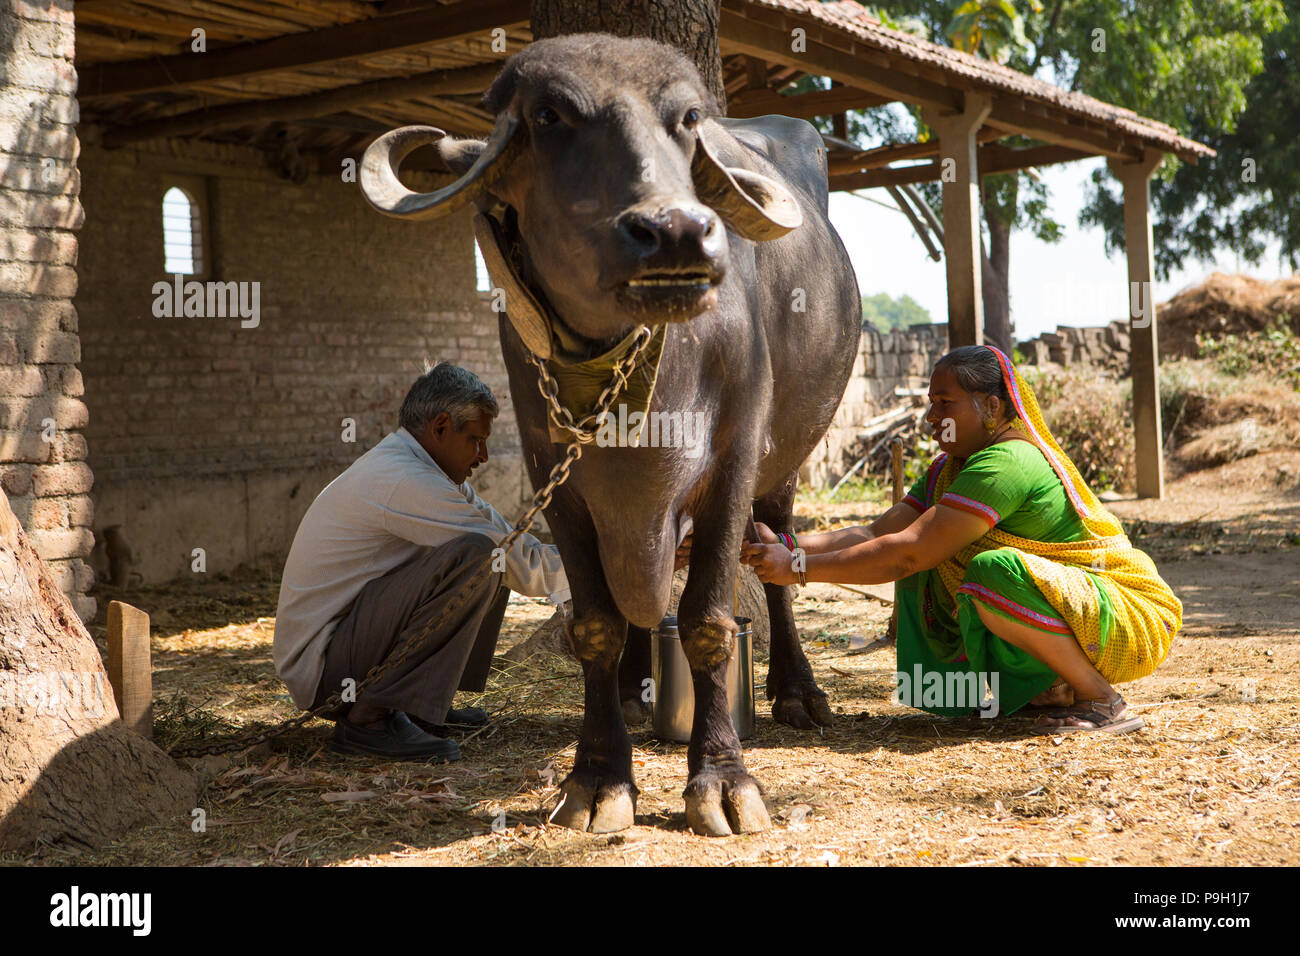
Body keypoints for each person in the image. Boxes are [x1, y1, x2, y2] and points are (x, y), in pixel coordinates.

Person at [741, 345, 1182, 733]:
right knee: (945, 567)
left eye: (944, 403)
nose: (932, 418)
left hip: (1123, 620)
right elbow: (878, 533)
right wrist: (786, 544)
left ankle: (1102, 699)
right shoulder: (950, 469)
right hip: (1078, 615)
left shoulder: (1008, 462)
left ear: (992, 407)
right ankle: (1045, 687)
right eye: (931, 403)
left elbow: (907, 554)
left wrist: (796, 569)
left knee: (989, 573)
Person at [273, 363, 570, 761]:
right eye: (476, 440)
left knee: (489, 551)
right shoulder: (404, 478)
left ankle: (418, 706)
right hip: (327, 670)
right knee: (479, 556)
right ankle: (369, 720)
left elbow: (511, 540)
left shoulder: (433, 474)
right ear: (441, 427)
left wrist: (591, 561)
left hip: (351, 643)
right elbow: (506, 554)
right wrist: (606, 572)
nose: (482, 455)